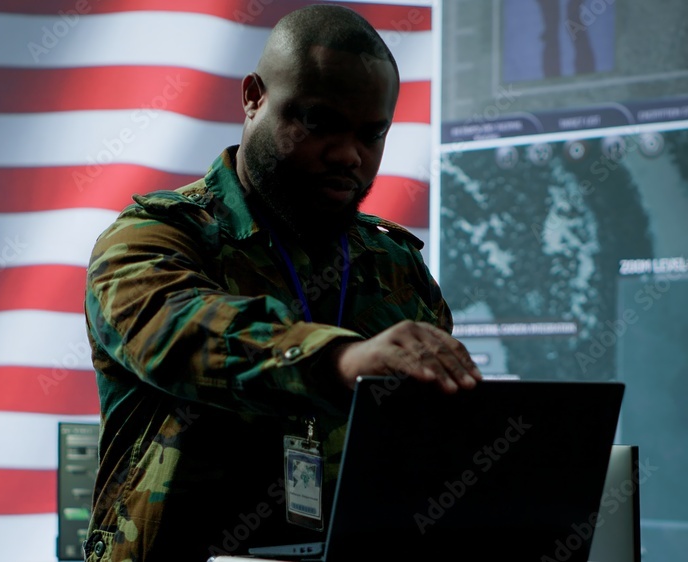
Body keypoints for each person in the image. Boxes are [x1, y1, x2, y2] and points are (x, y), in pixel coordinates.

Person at [82, 5, 482, 561]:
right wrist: (341, 361)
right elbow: (175, 335)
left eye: (372, 134)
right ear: (253, 97)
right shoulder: (153, 237)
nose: (349, 155)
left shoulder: (394, 264)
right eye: (318, 122)